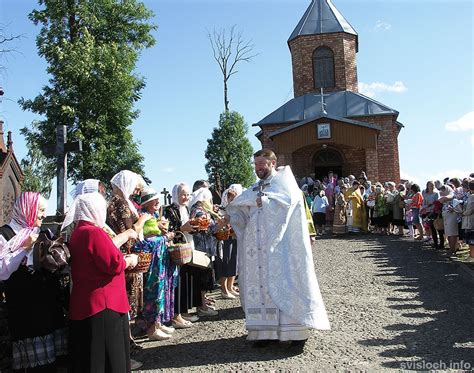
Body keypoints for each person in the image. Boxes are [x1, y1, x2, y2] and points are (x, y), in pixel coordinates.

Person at [225, 149, 330, 349]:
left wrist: (263, 201)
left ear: (273, 163)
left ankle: (297, 333)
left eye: (261, 164)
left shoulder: (285, 185)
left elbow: (286, 205)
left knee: (287, 285)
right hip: (256, 252)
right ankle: (265, 333)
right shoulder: (254, 188)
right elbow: (245, 215)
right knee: (262, 290)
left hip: (281, 249)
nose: (258, 168)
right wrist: (233, 215)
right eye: (255, 164)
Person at [68, 193, 139, 373]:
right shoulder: (94, 232)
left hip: (87, 302)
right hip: (105, 304)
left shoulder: (78, 232)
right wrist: (129, 261)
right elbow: (113, 263)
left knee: (91, 358)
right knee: (110, 358)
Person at [0, 192, 68, 372]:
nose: (44, 215)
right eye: (41, 210)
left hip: (48, 302)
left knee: (56, 361)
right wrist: (24, 248)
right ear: (27, 210)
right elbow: (1, 270)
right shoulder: (5, 235)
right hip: (25, 307)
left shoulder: (44, 232)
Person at [137, 187, 178, 341]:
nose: (158, 202)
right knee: (152, 292)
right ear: (147, 202)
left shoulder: (154, 215)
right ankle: (151, 329)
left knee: (161, 290)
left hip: (160, 260)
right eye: (154, 200)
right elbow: (145, 239)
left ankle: (158, 323)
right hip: (153, 262)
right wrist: (165, 237)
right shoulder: (144, 217)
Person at [163, 182, 200, 328]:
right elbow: (169, 230)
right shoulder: (170, 210)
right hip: (176, 252)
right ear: (176, 195)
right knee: (177, 283)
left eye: (187, 194)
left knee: (185, 280)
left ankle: (183, 312)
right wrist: (182, 228)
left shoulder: (186, 208)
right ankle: (175, 316)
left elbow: (187, 228)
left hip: (186, 248)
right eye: (183, 194)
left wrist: (193, 227)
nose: (186, 197)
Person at [216, 184, 243, 299]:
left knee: (233, 263)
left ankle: (230, 287)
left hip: (234, 238)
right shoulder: (221, 209)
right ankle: (224, 289)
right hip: (224, 239)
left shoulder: (236, 209)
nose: (232, 200)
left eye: (234, 198)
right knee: (225, 264)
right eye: (230, 198)